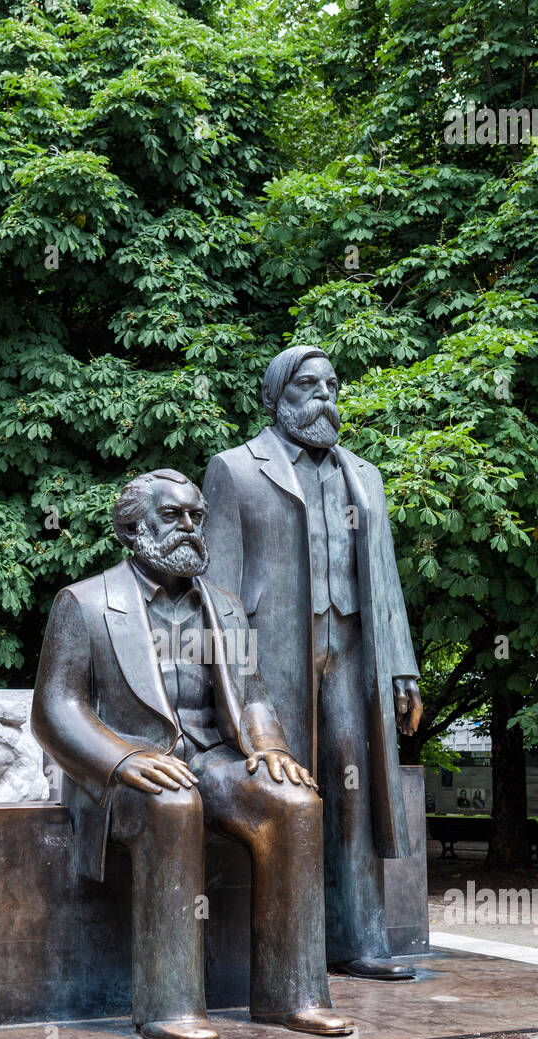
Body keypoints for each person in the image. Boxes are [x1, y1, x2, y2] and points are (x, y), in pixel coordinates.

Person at [32, 469, 351, 1039]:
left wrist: (272, 749)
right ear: (132, 528)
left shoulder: (226, 609)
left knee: (295, 802)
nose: (189, 527)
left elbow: (252, 699)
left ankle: (293, 996)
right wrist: (123, 759)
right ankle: (169, 1005)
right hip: (128, 771)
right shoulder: (84, 602)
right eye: (173, 516)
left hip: (216, 761)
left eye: (196, 517)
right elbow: (57, 711)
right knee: (173, 801)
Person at [203, 347, 423, 980]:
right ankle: (290, 947)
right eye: (307, 385)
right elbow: (216, 588)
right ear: (276, 398)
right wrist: (231, 684)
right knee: (288, 789)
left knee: (354, 792)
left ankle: (360, 939)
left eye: (332, 384)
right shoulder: (236, 470)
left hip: (354, 655)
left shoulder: (365, 476)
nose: (324, 395)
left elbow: (384, 583)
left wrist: (402, 667)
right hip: (274, 659)